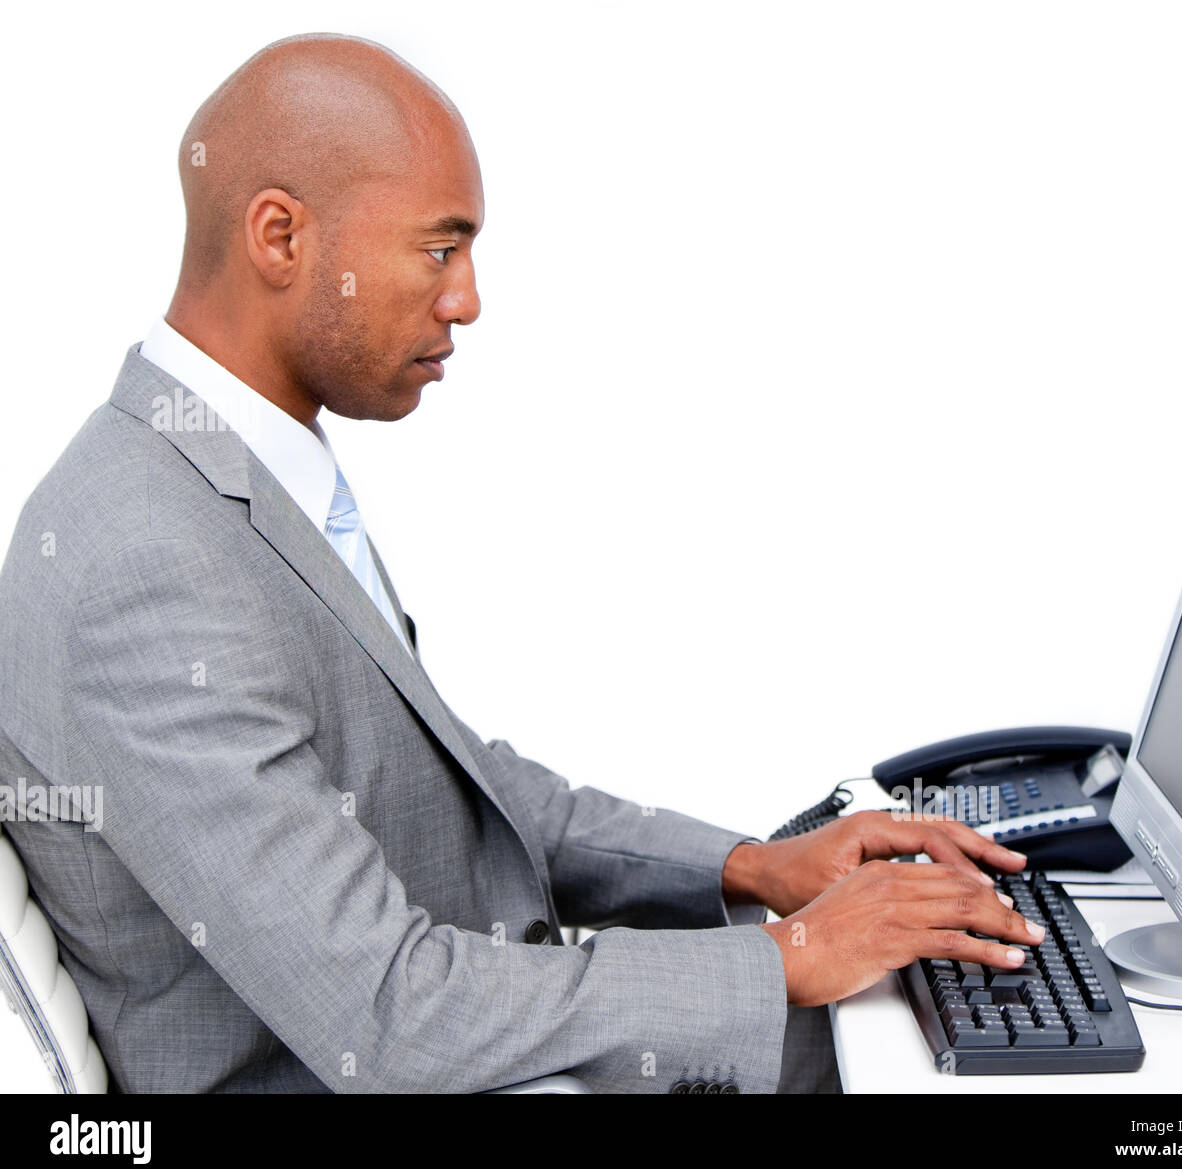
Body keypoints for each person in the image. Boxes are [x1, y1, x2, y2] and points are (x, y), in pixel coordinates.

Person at [0, 33, 1040, 1094]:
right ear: (281, 237)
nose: (467, 299)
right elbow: (387, 1013)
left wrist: (746, 867)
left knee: (882, 1022)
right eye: (439, 249)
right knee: (855, 1034)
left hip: (458, 1023)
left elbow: (440, 778)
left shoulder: (239, 472)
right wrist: (793, 953)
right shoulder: (144, 561)